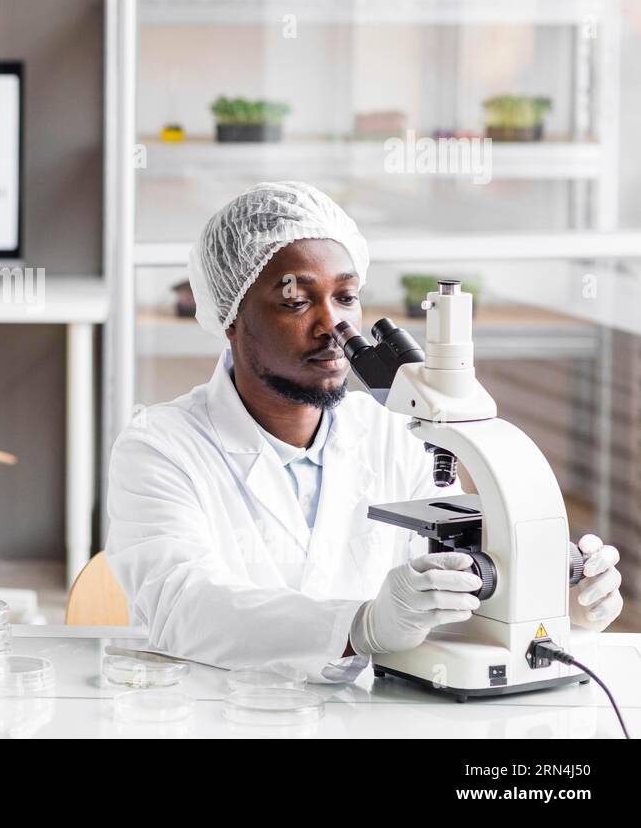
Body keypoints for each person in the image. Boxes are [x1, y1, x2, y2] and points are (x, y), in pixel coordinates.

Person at [105, 181, 624, 681]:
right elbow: (182, 605)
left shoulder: (397, 431)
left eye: (347, 297)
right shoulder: (159, 448)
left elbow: (453, 580)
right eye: (295, 301)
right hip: (220, 714)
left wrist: (550, 591)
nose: (332, 327)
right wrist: (358, 627)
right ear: (229, 316)